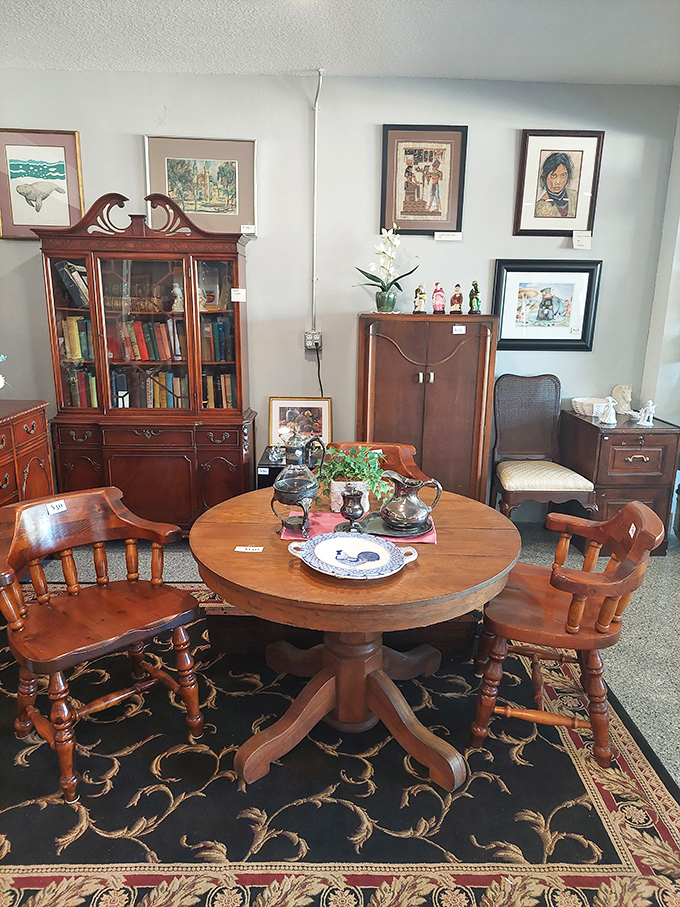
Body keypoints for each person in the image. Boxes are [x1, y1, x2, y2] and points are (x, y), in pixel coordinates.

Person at [535, 151, 577, 219]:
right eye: (553, 175)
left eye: (563, 175)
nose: (558, 182)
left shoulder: (575, 197)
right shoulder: (541, 206)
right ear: (545, 177)